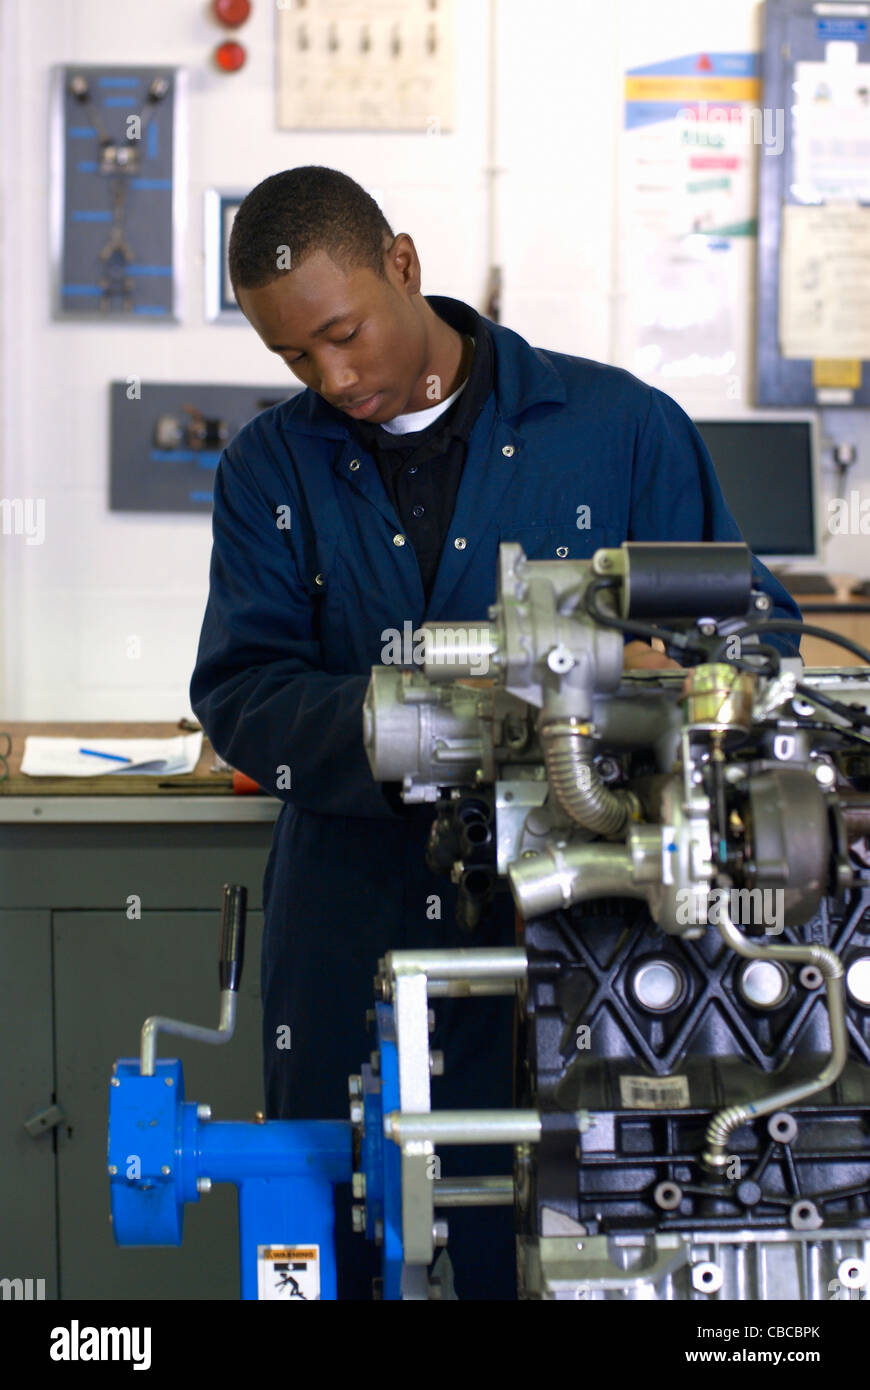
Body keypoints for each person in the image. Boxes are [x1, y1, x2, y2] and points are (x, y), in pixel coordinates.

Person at [189, 165, 802, 1300]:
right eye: (293, 359)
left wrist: (668, 673)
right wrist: (436, 723)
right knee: (332, 1240)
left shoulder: (618, 429)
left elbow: (755, 634)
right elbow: (240, 691)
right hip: (350, 930)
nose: (332, 377)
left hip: (591, 937)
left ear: (404, 266)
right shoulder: (268, 466)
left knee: (576, 1241)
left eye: (343, 333)